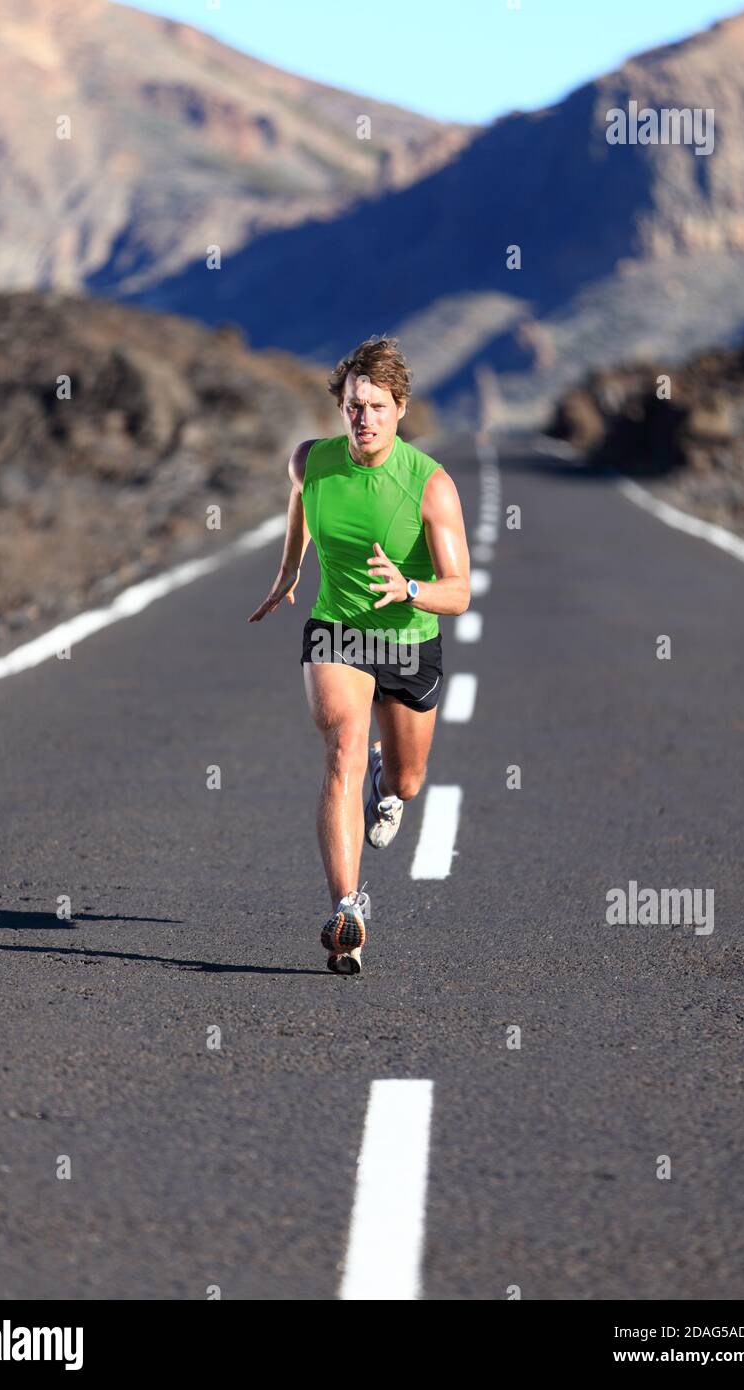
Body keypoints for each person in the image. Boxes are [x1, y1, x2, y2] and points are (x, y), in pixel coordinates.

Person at [248, 336, 470, 974]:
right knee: (342, 745)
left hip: (408, 638)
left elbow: (461, 593)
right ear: (340, 407)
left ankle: (387, 783)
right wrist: (289, 572)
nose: (363, 418)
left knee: (406, 779)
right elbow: (301, 505)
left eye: (375, 406)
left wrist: (411, 589)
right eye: (352, 406)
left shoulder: (431, 487)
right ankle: (348, 907)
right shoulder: (311, 462)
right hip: (337, 628)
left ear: (400, 408)